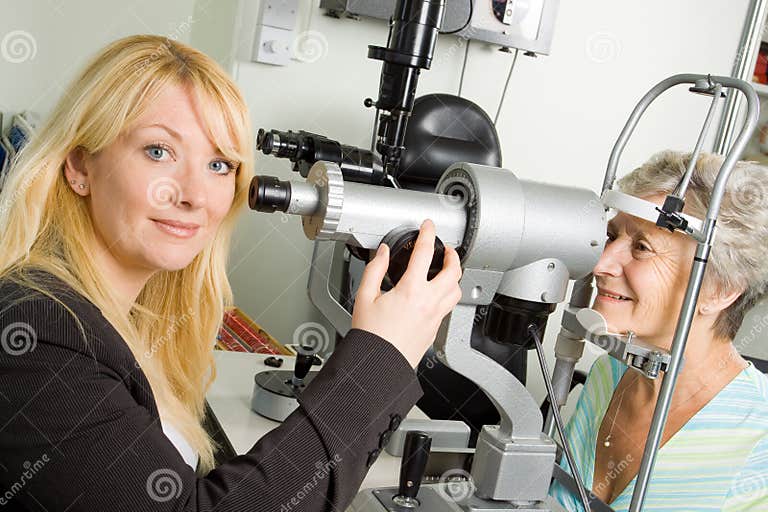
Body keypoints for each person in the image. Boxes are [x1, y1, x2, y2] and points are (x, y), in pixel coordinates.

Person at [0, 35, 463, 511]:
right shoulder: (34, 335)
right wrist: (379, 360)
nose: (194, 194)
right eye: (159, 151)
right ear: (80, 165)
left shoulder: (131, 319)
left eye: (219, 164)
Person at [550, 151, 768, 511]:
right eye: (611, 235)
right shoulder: (609, 374)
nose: (602, 263)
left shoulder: (759, 440)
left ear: (719, 290)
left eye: (641, 247)